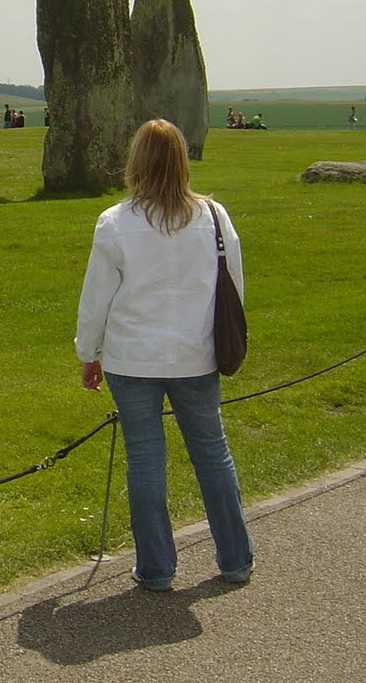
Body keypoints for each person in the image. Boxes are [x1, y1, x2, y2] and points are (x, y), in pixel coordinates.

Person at [74, 119, 254, 590]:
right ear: (182, 160)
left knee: (146, 460)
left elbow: (97, 299)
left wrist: (87, 351)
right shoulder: (214, 215)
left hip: (132, 358)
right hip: (196, 353)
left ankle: (157, 568)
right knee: (213, 455)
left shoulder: (116, 222)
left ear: (136, 161)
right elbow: (233, 285)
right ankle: (235, 559)